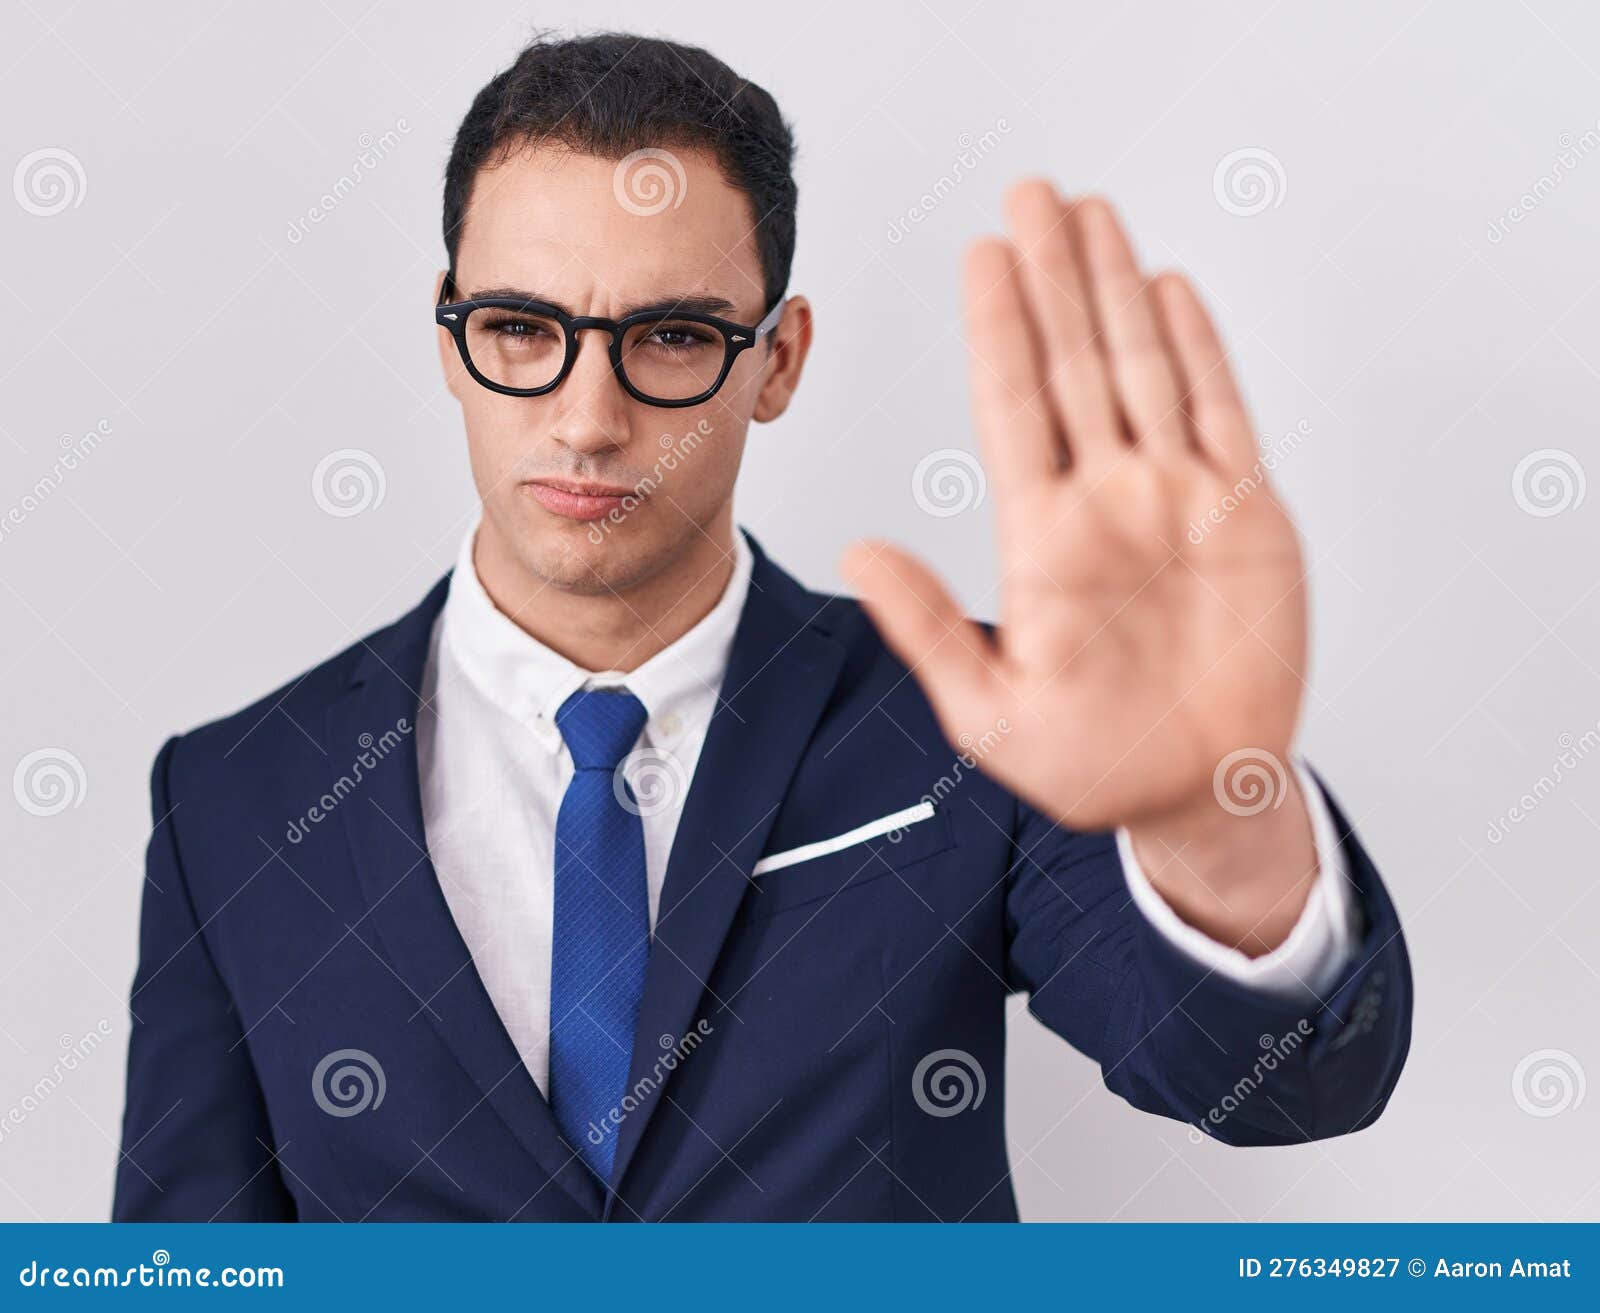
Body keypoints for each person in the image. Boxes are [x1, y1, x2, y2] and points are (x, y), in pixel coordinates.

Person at [113, 31, 1409, 1222]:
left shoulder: (981, 721)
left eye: (670, 336)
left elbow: (1276, 1086)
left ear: (777, 360)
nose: (586, 418)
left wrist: (1209, 813)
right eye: (521, 328)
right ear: (450, 335)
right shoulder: (234, 796)